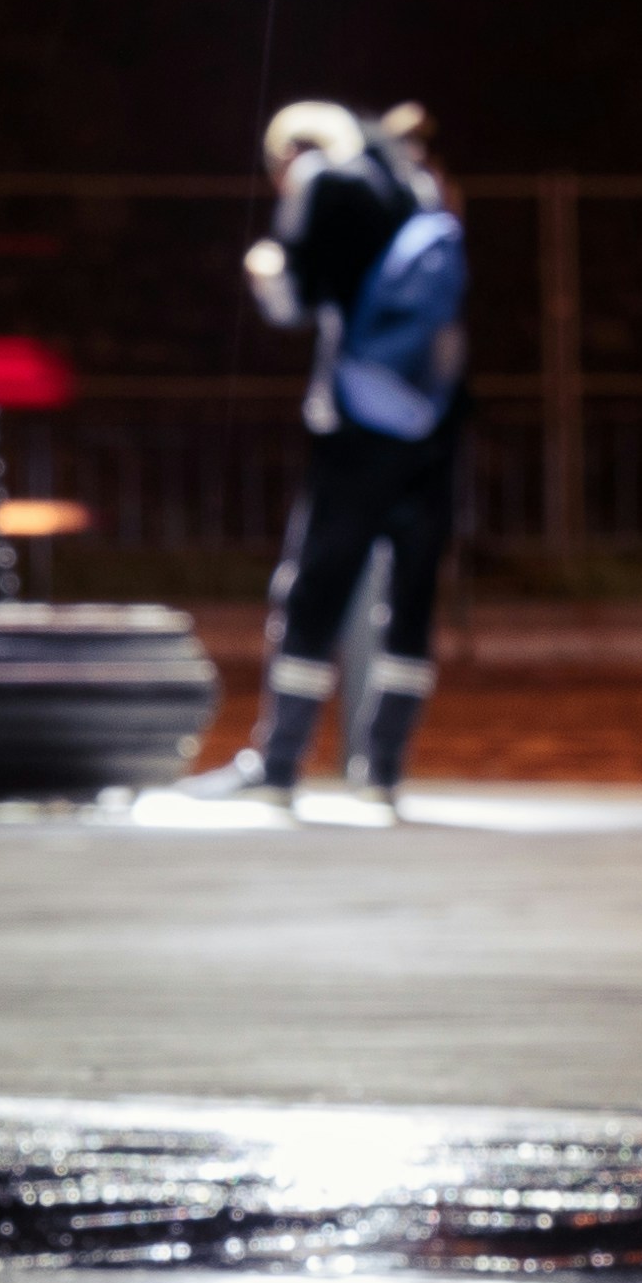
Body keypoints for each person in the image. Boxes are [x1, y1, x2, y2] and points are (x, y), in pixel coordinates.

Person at [182, 97, 471, 805]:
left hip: (358, 422)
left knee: (316, 586)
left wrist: (267, 269)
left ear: (291, 153)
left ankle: (278, 766)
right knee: (411, 595)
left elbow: (295, 301)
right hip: (436, 415)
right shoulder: (415, 180)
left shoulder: (322, 181)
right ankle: (384, 771)